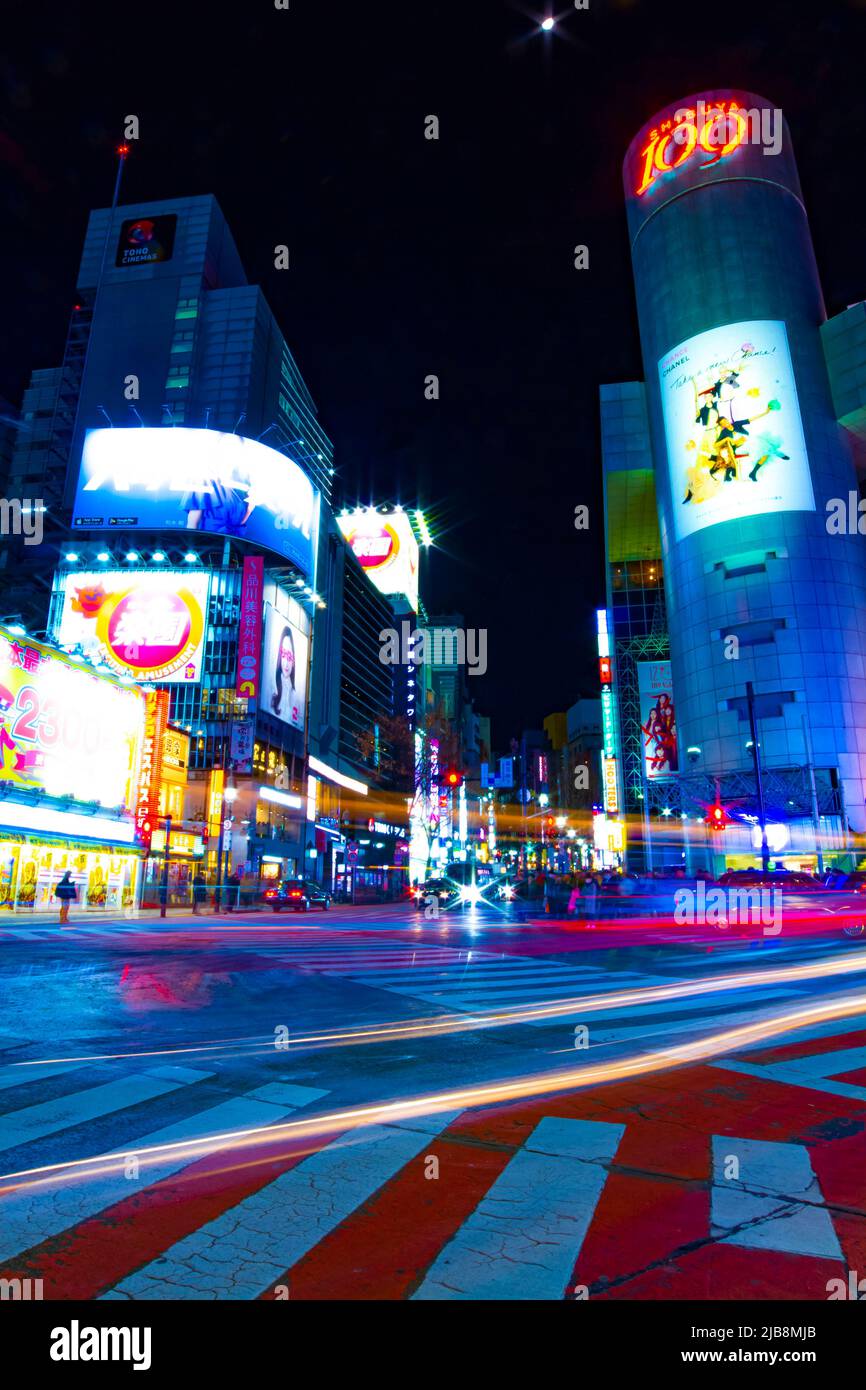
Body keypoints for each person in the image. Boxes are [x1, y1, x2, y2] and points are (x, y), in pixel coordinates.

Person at [269, 625, 302, 728]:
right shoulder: (272, 687)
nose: (287, 663)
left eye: (289, 657)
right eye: (284, 655)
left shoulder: (296, 695)